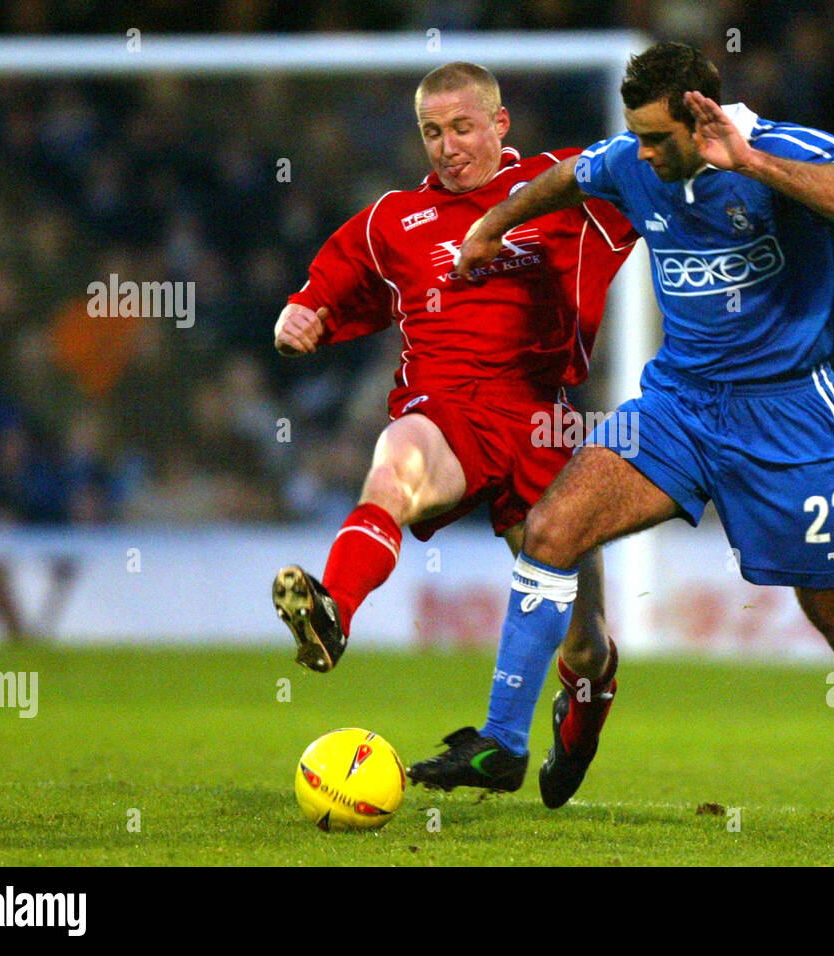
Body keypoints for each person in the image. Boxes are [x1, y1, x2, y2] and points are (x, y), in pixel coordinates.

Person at [452, 42, 834, 837]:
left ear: (703, 116)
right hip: (679, 405)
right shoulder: (635, 160)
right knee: (552, 530)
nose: (644, 152)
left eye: (659, 137)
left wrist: (750, 163)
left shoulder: (783, 152)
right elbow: (568, 177)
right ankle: (502, 740)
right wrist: (492, 224)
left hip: (787, 418)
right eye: (637, 135)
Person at [271, 62, 637, 797]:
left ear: (500, 124)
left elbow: (662, 186)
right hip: (447, 412)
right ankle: (335, 610)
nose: (446, 146)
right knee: (394, 465)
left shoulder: (565, 188)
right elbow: (321, 297)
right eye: (432, 132)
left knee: (586, 644)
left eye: (462, 127)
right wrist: (297, 318)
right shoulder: (390, 221)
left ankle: (582, 711)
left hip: (545, 427)